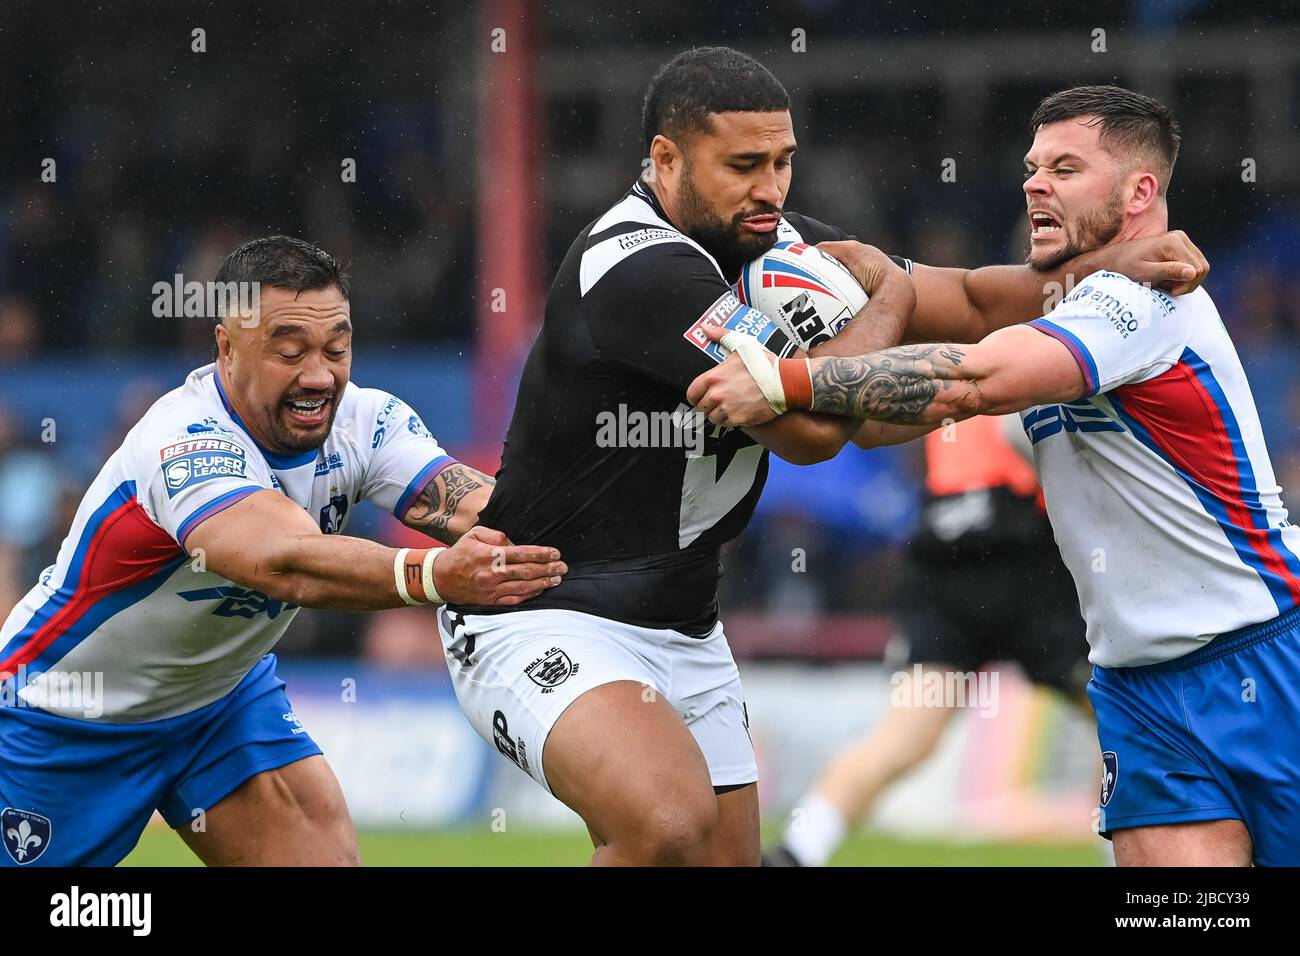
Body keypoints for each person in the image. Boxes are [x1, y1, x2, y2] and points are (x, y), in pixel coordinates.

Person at [439, 48, 1208, 867]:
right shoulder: (638, 269)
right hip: (544, 609)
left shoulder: (775, 240)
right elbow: (813, 433)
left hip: (684, 625)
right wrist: (894, 298)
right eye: (743, 166)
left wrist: (1110, 270)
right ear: (665, 159)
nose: (771, 189)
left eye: (783, 162)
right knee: (663, 825)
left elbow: (979, 300)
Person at [690, 85, 1300, 867]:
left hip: (1258, 661)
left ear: (1140, 191)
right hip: (1138, 692)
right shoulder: (1055, 309)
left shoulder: (1148, 299)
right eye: (1032, 166)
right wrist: (791, 344)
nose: (1034, 183)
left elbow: (970, 381)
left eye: (1065, 168)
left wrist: (784, 379)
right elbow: (877, 417)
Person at [0, 236, 566, 867]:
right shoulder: (183, 441)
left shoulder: (366, 422)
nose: (319, 376)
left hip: (218, 703)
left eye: (336, 349)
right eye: (289, 351)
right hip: (63, 716)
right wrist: (437, 575)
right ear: (226, 347)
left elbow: (492, 514)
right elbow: (282, 560)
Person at [766, 415, 1091, 867]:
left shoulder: (943, 352)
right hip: (1018, 548)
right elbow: (1022, 437)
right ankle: (795, 853)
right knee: (1120, 718)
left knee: (905, 733)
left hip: (950, 542)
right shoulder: (1031, 346)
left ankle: (797, 851)